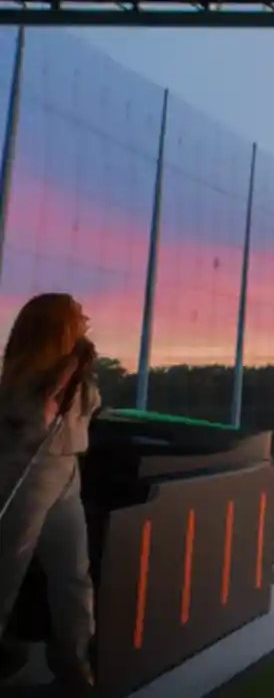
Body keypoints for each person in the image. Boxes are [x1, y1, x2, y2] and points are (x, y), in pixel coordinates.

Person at [0, 293, 101, 697]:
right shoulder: (23, 377)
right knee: (6, 572)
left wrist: (75, 366)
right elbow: (34, 418)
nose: (85, 319)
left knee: (74, 573)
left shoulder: (76, 367)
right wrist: (63, 377)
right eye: (77, 315)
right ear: (57, 327)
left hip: (67, 471)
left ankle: (74, 664)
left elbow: (86, 410)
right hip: (26, 470)